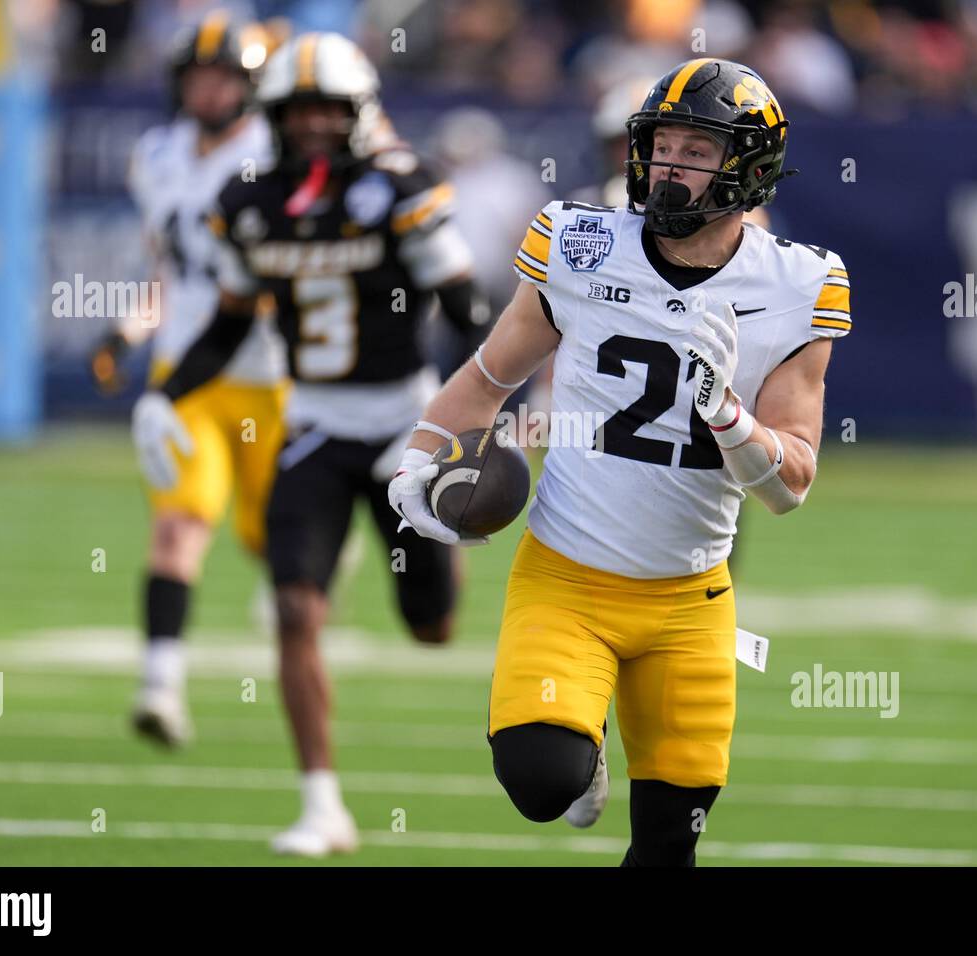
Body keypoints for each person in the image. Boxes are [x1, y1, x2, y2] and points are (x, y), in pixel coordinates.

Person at [389, 58, 851, 866]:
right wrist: (414, 466)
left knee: (671, 843)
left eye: (696, 150)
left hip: (691, 600)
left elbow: (789, 486)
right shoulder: (582, 242)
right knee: (541, 780)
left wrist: (730, 418)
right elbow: (487, 378)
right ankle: (581, 742)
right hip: (567, 577)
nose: (669, 164)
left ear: (748, 166)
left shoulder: (798, 284)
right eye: (661, 143)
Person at [130, 32, 488, 856]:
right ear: (276, 118)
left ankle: (441, 561)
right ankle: (322, 803)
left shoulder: (402, 188)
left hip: (405, 425)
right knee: (295, 609)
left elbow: (469, 307)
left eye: (332, 109)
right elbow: (227, 324)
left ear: (360, 114)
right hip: (314, 427)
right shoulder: (250, 202)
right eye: (300, 112)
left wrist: (502, 400)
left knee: (431, 625)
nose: (317, 126)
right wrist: (165, 396)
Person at [89, 12, 288, 748]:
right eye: (198, 78)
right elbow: (166, 273)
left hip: (276, 376)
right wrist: (125, 331)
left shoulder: (279, 154)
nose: (207, 91)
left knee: (274, 542)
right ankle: (160, 684)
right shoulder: (158, 154)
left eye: (224, 78)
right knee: (178, 527)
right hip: (189, 376)